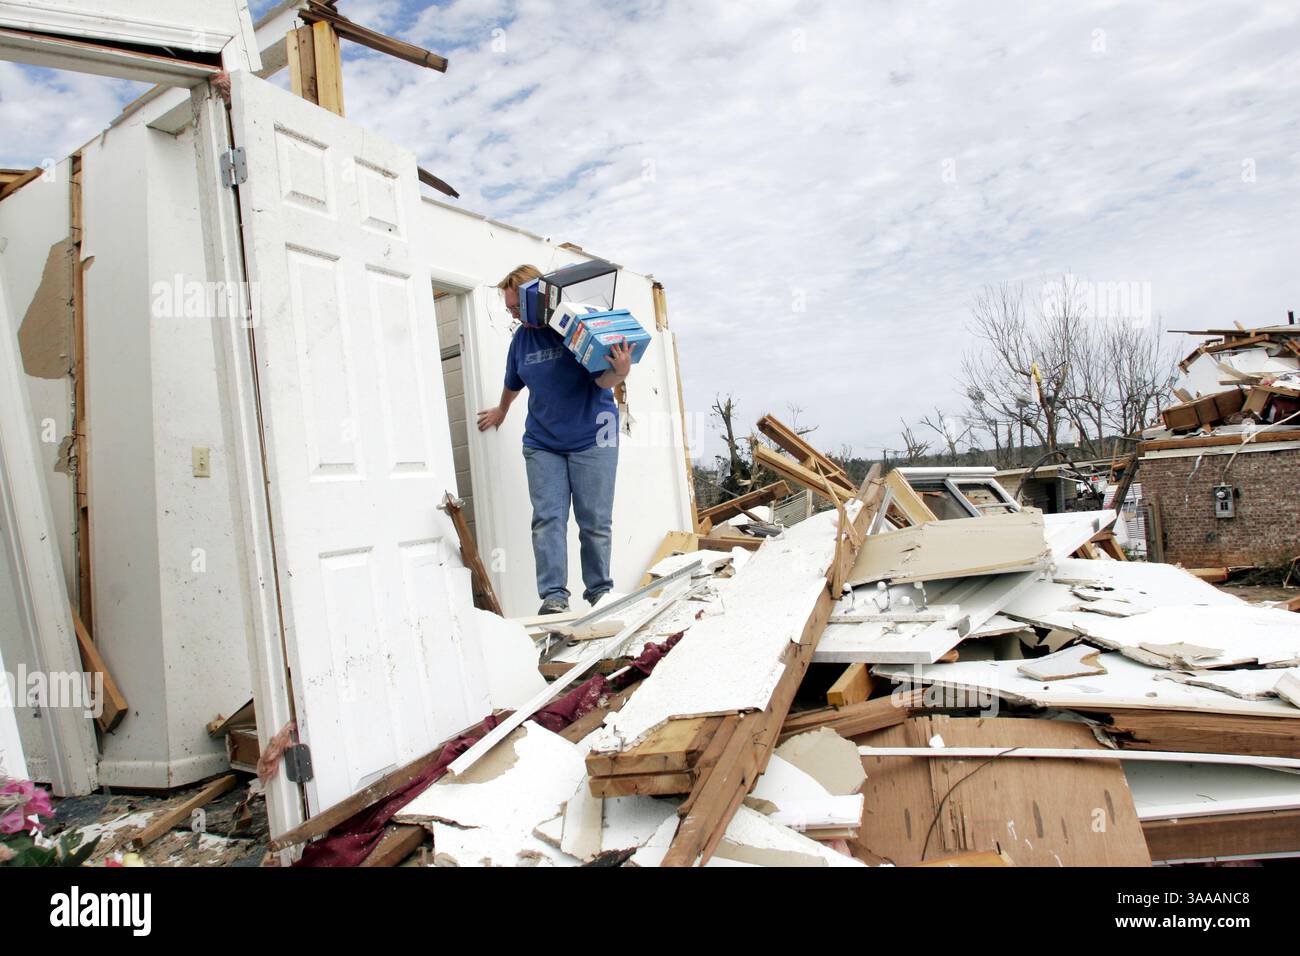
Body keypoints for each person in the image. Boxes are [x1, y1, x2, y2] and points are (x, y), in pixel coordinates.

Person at [476, 264, 634, 614]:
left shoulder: (578, 329)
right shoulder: (521, 340)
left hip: (594, 437)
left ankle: (598, 592)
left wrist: (620, 371)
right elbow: (513, 380)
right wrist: (502, 409)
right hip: (543, 442)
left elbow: (602, 382)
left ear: (538, 299)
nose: (515, 316)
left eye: (517, 308)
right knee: (547, 520)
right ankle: (553, 598)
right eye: (510, 311)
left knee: (593, 521)